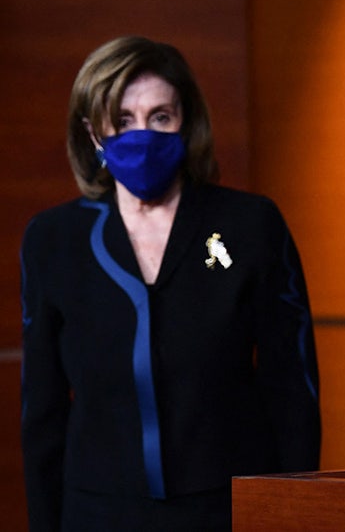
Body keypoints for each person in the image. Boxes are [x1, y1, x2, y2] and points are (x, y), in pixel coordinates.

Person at [20, 36, 321, 531]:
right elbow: (43, 412)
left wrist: (293, 512)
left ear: (187, 122)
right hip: (98, 510)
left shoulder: (251, 224)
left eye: (161, 116)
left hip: (227, 504)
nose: (143, 133)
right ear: (93, 132)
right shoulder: (53, 240)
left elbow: (292, 391)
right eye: (122, 120)